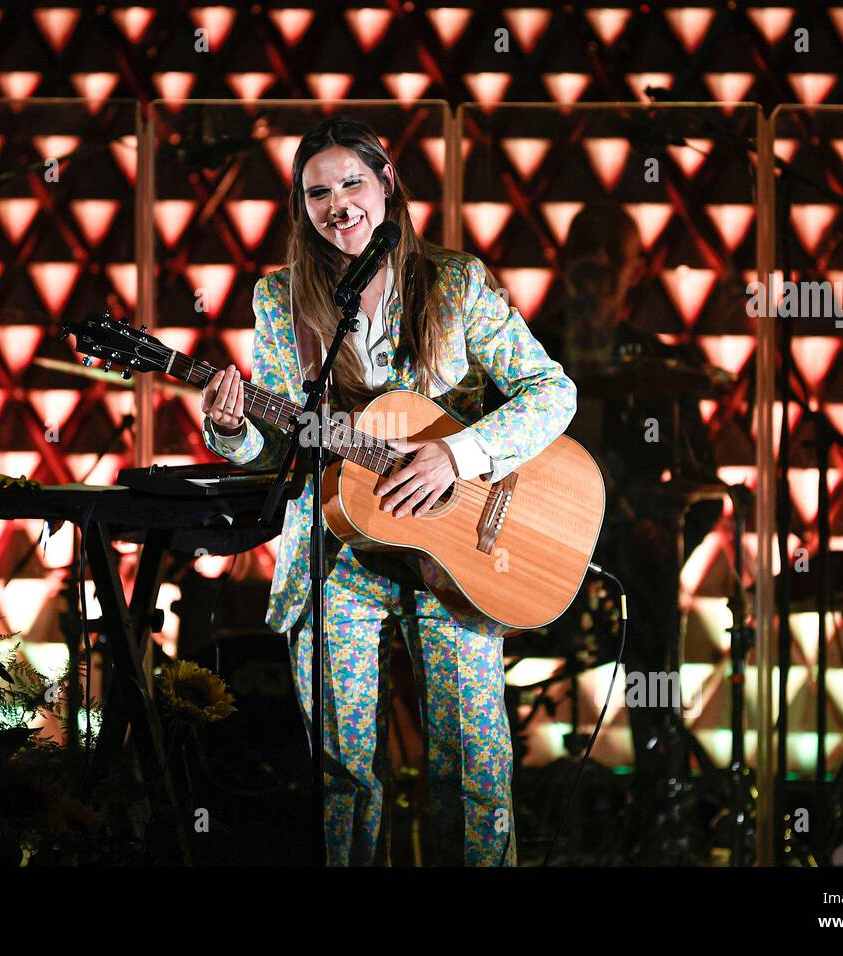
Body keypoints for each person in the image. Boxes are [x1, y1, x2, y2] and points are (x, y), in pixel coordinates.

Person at [199, 115, 576, 866]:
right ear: (300, 206)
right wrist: (233, 431)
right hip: (336, 553)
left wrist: (457, 455)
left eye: (352, 182)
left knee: (471, 767)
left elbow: (551, 393)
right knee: (340, 772)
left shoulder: (456, 282)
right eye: (316, 192)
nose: (337, 203)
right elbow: (282, 439)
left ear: (387, 185)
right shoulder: (279, 300)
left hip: (454, 552)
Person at [557, 204, 722, 861]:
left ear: (635, 273)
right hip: (533, 555)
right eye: (584, 252)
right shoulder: (519, 352)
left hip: (626, 566)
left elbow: (703, 488)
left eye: (609, 256)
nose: (595, 268)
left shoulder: (660, 368)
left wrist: (667, 537)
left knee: (652, 638)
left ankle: (662, 818)